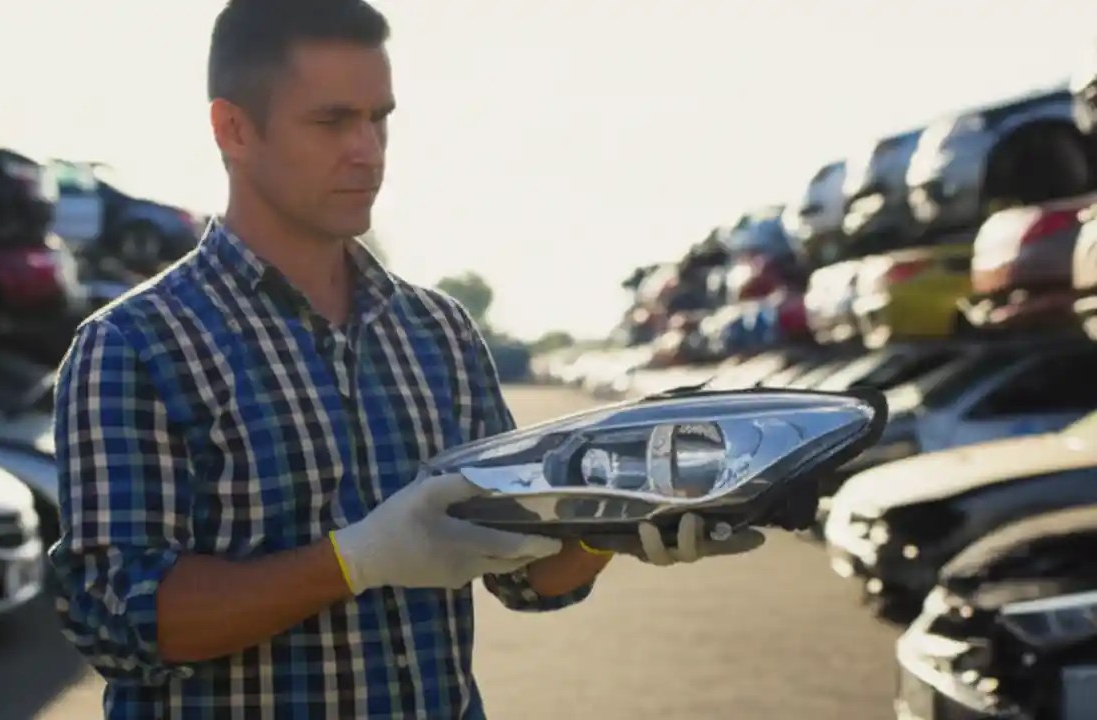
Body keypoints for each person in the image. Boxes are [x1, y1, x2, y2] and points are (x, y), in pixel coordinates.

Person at [48, 1, 761, 717]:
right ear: (233, 129)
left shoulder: (438, 330)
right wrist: (354, 560)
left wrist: (622, 524)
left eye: (379, 117)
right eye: (332, 121)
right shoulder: (134, 344)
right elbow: (120, 624)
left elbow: (523, 572)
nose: (369, 149)